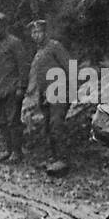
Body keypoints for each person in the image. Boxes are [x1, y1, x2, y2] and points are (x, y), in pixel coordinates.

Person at [25, 19, 72, 167]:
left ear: (45, 33)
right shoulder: (39, 53)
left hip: (60, 92)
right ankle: (53, 157)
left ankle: (62, 159)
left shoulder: (55, 47)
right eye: (33, 33)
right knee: (48, 127)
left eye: (38, 32)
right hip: (45, 95)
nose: (36, 35)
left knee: (56, 125)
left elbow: (70, 68)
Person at [0, 12, 28, 163]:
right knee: (1, 121)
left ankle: (17, 152)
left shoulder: (14, 43)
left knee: (13, 121)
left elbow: (23, 65)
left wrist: (22, 86)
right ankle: (8, 150)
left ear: (5, 26)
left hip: (11, 88)